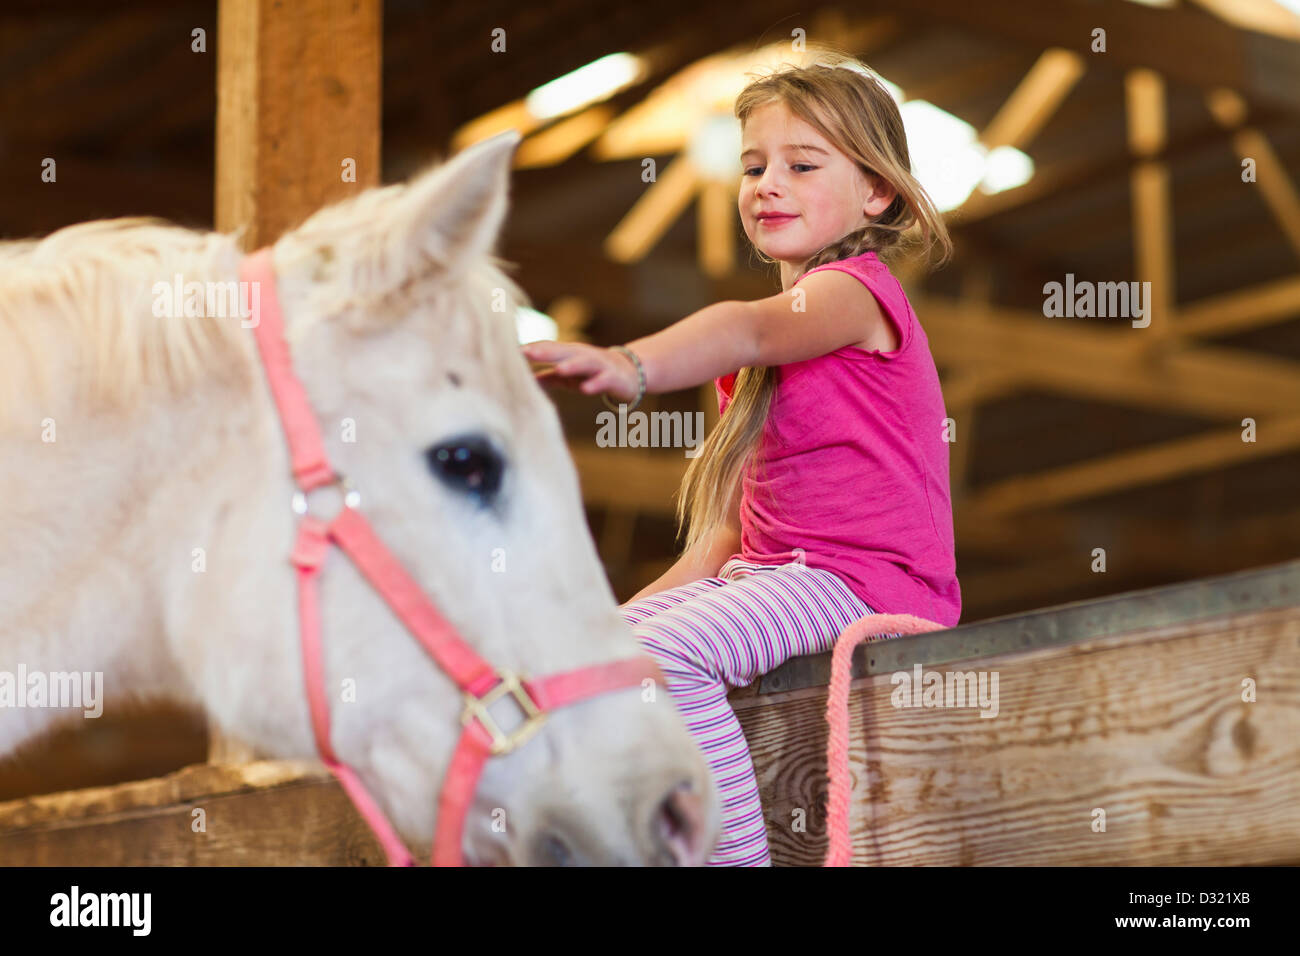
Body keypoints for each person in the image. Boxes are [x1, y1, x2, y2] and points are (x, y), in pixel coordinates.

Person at [520, 51, 960, 866]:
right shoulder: (752, 370)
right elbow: (719, 541)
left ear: (877, 191)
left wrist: (634, 364)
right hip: (774, 578)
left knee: (663, 656)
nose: (767, 184)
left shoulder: (857, 294)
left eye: (801, 164)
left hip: (863, 581)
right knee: (603, 656)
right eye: (753, 166)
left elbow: (750, 324)